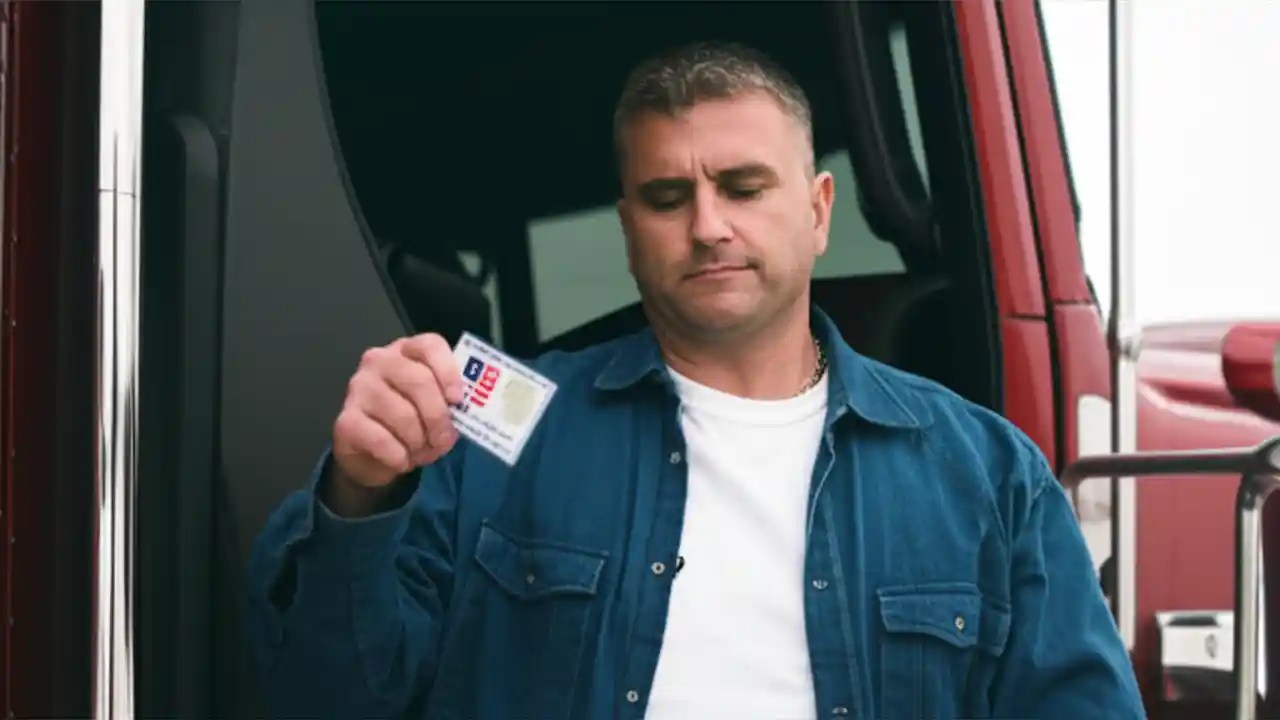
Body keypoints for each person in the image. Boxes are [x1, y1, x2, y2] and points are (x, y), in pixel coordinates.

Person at [246, 41, 1145, 719]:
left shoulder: (987, 473)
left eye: (745, 187)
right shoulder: (498, 427)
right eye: (668, 197)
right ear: (629, 228)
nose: (708, 224)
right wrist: (361, 497)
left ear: (819, 211)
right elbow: (326, 697)